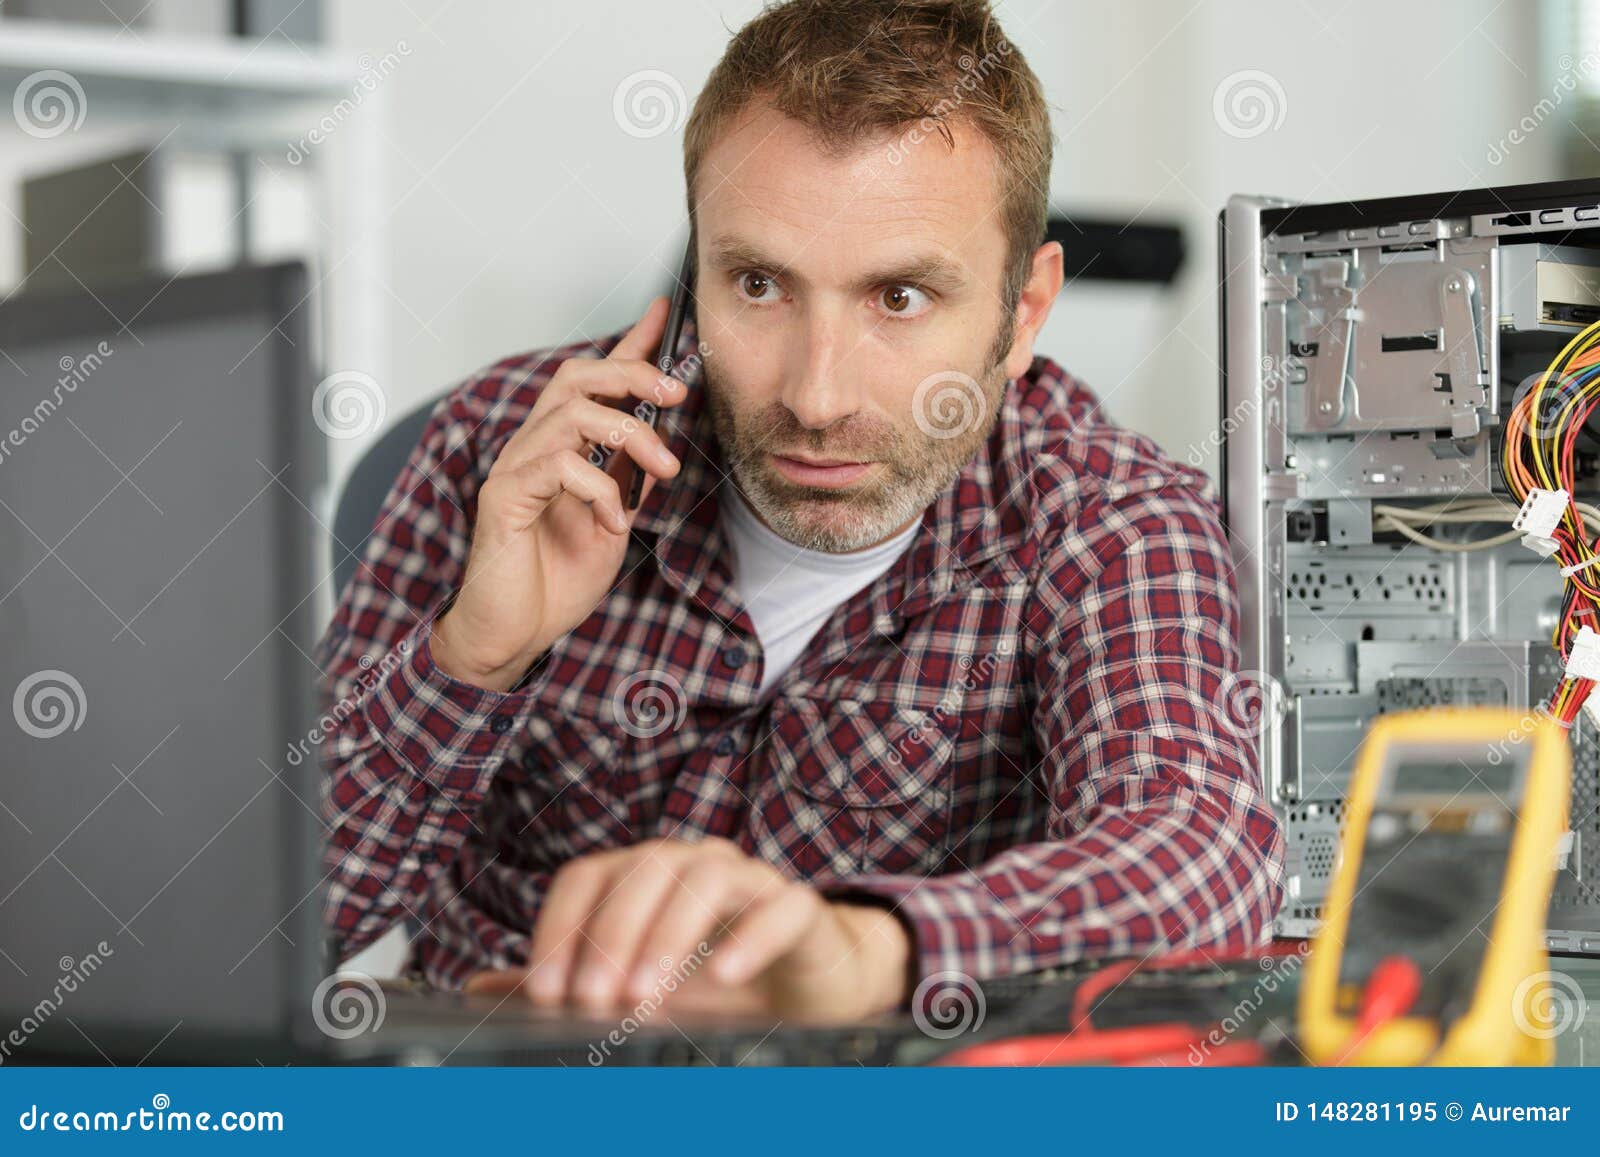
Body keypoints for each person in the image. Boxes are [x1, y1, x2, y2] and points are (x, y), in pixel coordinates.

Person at [315, 0, 1285, 1021]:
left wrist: (862, 949)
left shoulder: (1109, 517)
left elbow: (1198, 861)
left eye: (899, 298)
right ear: (698, 271)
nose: (817, 397)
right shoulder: (502, 447)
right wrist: (471, 659)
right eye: (760, 283)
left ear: (1023, 310)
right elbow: (264, 925)